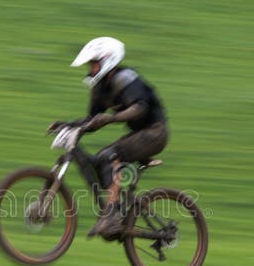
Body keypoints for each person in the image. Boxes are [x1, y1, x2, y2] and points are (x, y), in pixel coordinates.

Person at [49, 37, 169, 239]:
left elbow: (140, 109)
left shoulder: (126, 78)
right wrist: (67, 125)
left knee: (110, 154)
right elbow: (92, 120)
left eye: (94, 64)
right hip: (139, 134)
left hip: (155, 132)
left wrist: (111, 119)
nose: (90, 69)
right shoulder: (100, 88)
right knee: (99, 160)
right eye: (90, 65)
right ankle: (115, 211)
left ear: (108, 61)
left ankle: (112, 217)